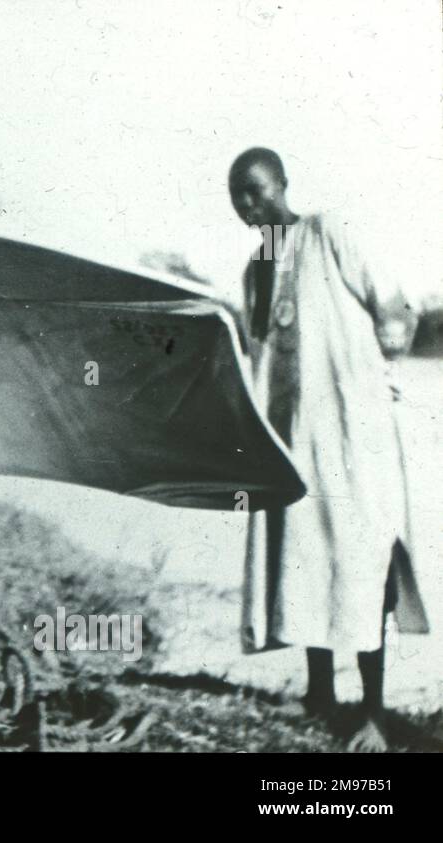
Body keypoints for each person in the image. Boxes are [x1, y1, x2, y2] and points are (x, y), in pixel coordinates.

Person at [228, 147, 429, 752]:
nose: (248, 205)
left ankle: (373, 714)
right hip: (294, 444)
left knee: (366, 560)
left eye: (257, 191)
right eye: (238, 195)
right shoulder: (255, 270)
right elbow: (262, 357)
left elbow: (392, 308)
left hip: (354, 438)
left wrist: (375, 376)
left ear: (283, 185)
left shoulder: (327, 232)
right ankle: (320, 694)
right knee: (306, 559)